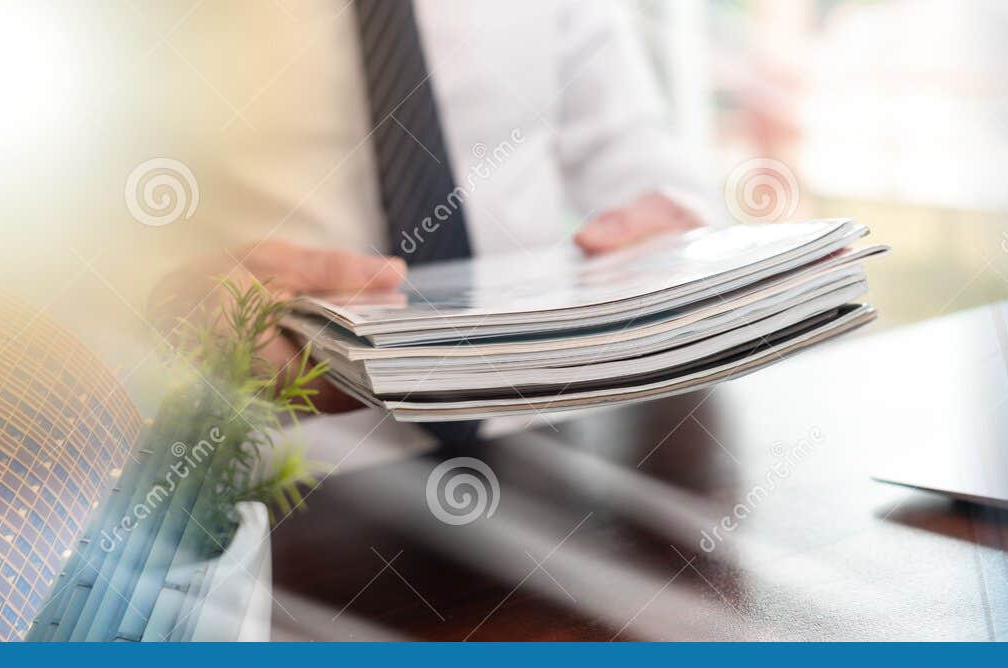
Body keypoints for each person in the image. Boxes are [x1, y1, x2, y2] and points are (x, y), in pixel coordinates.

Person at [149, 0, 712, 415]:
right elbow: (96, 238)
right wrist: (167, 312)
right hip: (282, 459)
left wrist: (669, 226)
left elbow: (628, 147)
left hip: (551, 421)